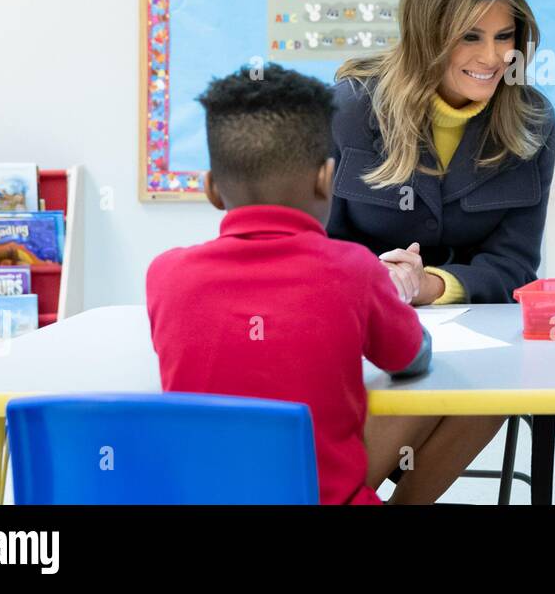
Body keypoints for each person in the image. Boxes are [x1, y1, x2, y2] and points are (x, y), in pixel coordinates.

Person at [329, 0, 555, 503]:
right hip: (356, 327)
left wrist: (430, 284)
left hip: (468, 333)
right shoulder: (353, 106)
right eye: (471, 36)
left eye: (506, 36)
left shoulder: (531, 123)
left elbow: (514, 265)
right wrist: (380, 282)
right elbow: (320, 242)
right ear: (428, 36)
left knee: (503, 379)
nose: (493, 56)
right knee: (426, 380)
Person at [146, 64, 430, 504]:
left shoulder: (166, 275)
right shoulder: (356, 270)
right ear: (325, 178)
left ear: (211, 190)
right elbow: (411, 357)